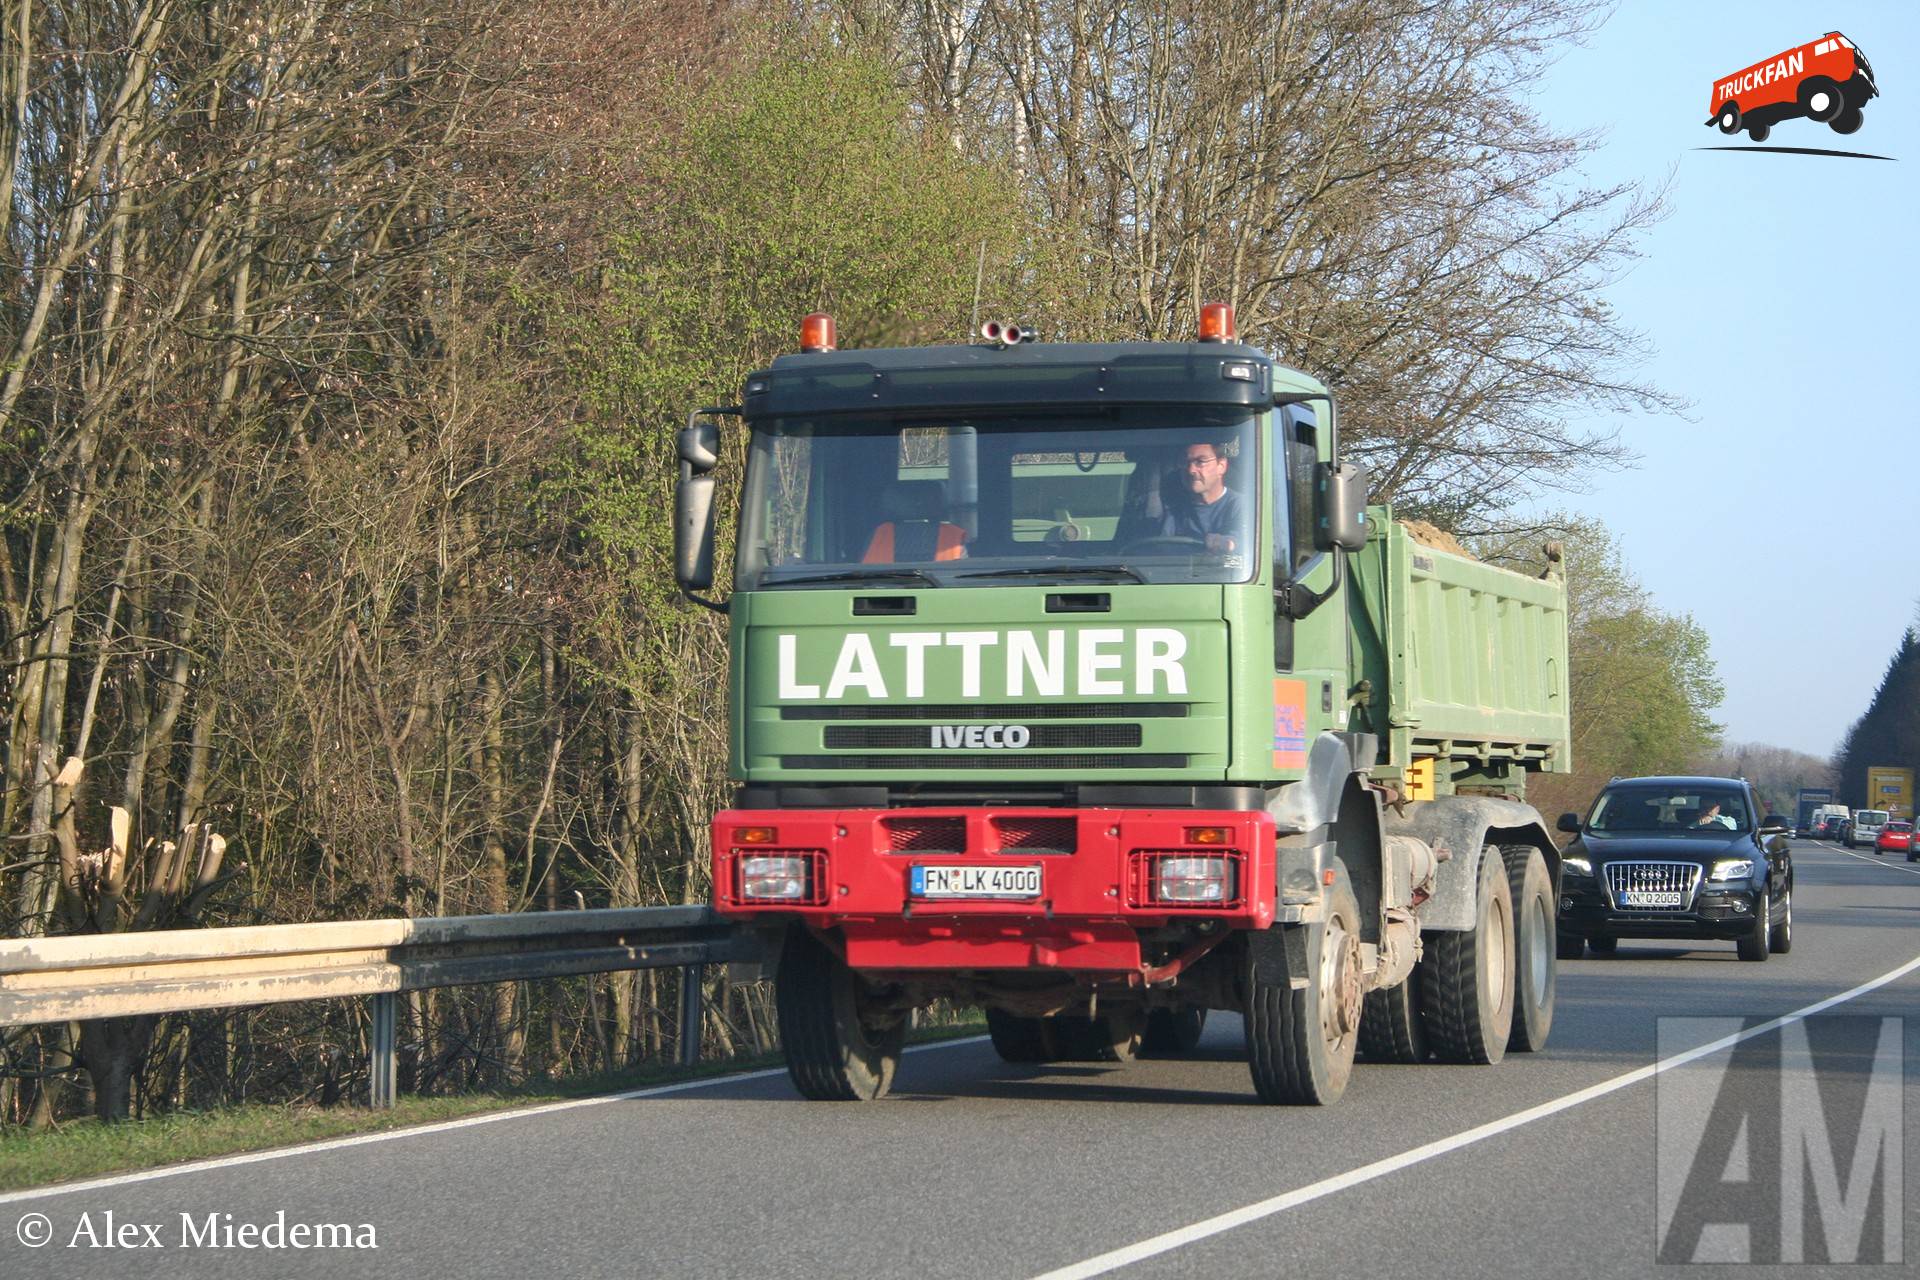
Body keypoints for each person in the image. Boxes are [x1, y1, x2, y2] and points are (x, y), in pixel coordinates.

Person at [1162, 441, 1248, 553]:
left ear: (1221, 466)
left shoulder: (1244, 506)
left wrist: (1230, 544)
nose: (1191, 470)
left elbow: (1250, 545)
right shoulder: (1174, 511)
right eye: (1184, 462)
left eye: (1200, 462)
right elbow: (1159, 550)